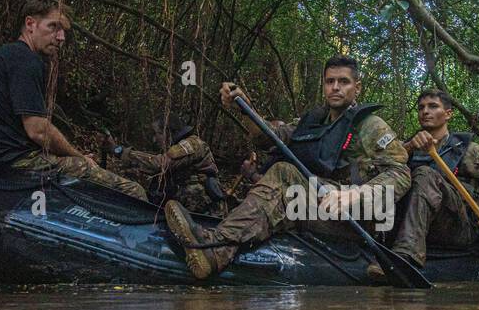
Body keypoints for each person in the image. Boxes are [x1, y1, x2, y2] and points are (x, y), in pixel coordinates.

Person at [164, 55, 410, 280]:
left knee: (285, 173)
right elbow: (270, 137)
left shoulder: (371, 125)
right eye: (330, 81)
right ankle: (224, 239)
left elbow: (400, 174)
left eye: (343, 82)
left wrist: (354, 195)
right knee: (284, 173)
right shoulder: (314, 120)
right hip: (315, 205)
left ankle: (216, 249)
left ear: (357, 88)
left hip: (353, 217)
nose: (335, 87)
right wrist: (243, 107)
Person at [0, 0, 146, 199]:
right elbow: (38, 131)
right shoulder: (26, 61)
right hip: (14, 164)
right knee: (133, 191)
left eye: (63, 32)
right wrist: (78, 157)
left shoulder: (8, 55)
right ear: (30, 24)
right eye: (53, 27)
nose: (60, 37)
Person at [372, 90, 479, 282]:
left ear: (448, 114)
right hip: (416, 220)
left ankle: (405, 256)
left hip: (458, 226)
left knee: (425, 174)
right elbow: (375, 168)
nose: (425, 111)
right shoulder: (407, 147)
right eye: (421, 108)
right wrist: (409, 148)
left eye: (433, 106)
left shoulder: (470, 150)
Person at [115, 114, 224, 213]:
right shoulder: (178, 146)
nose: (154, 139)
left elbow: (159, 165)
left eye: (156, 134)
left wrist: (119, 151)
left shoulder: (192, 144)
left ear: (167, 132)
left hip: (204, 211)